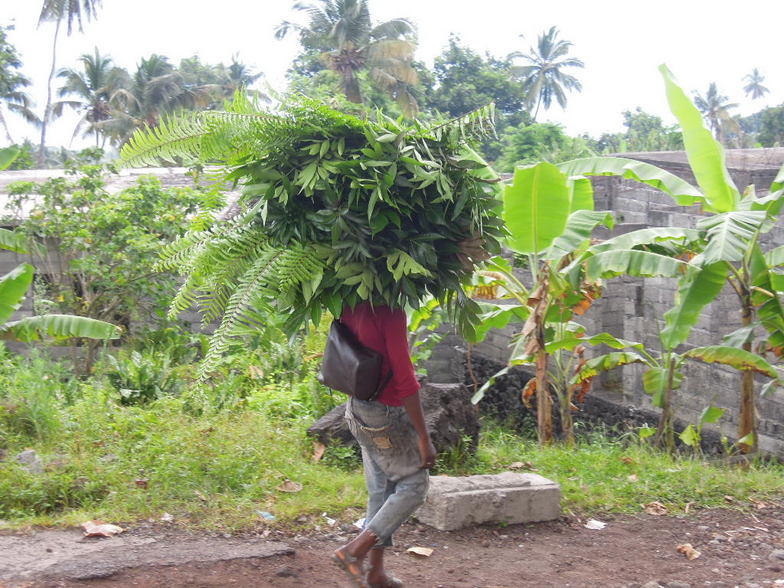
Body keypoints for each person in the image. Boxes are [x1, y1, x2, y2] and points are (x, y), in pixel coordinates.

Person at [332, 302, 436, 588]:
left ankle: (375, 573)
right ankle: (353, 552)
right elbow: (405, 380)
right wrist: (423, 438)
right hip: (384, 414)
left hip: (357, 407)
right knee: (414, 486)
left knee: (381, 491)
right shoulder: (389, 311)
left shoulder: (349, 301)